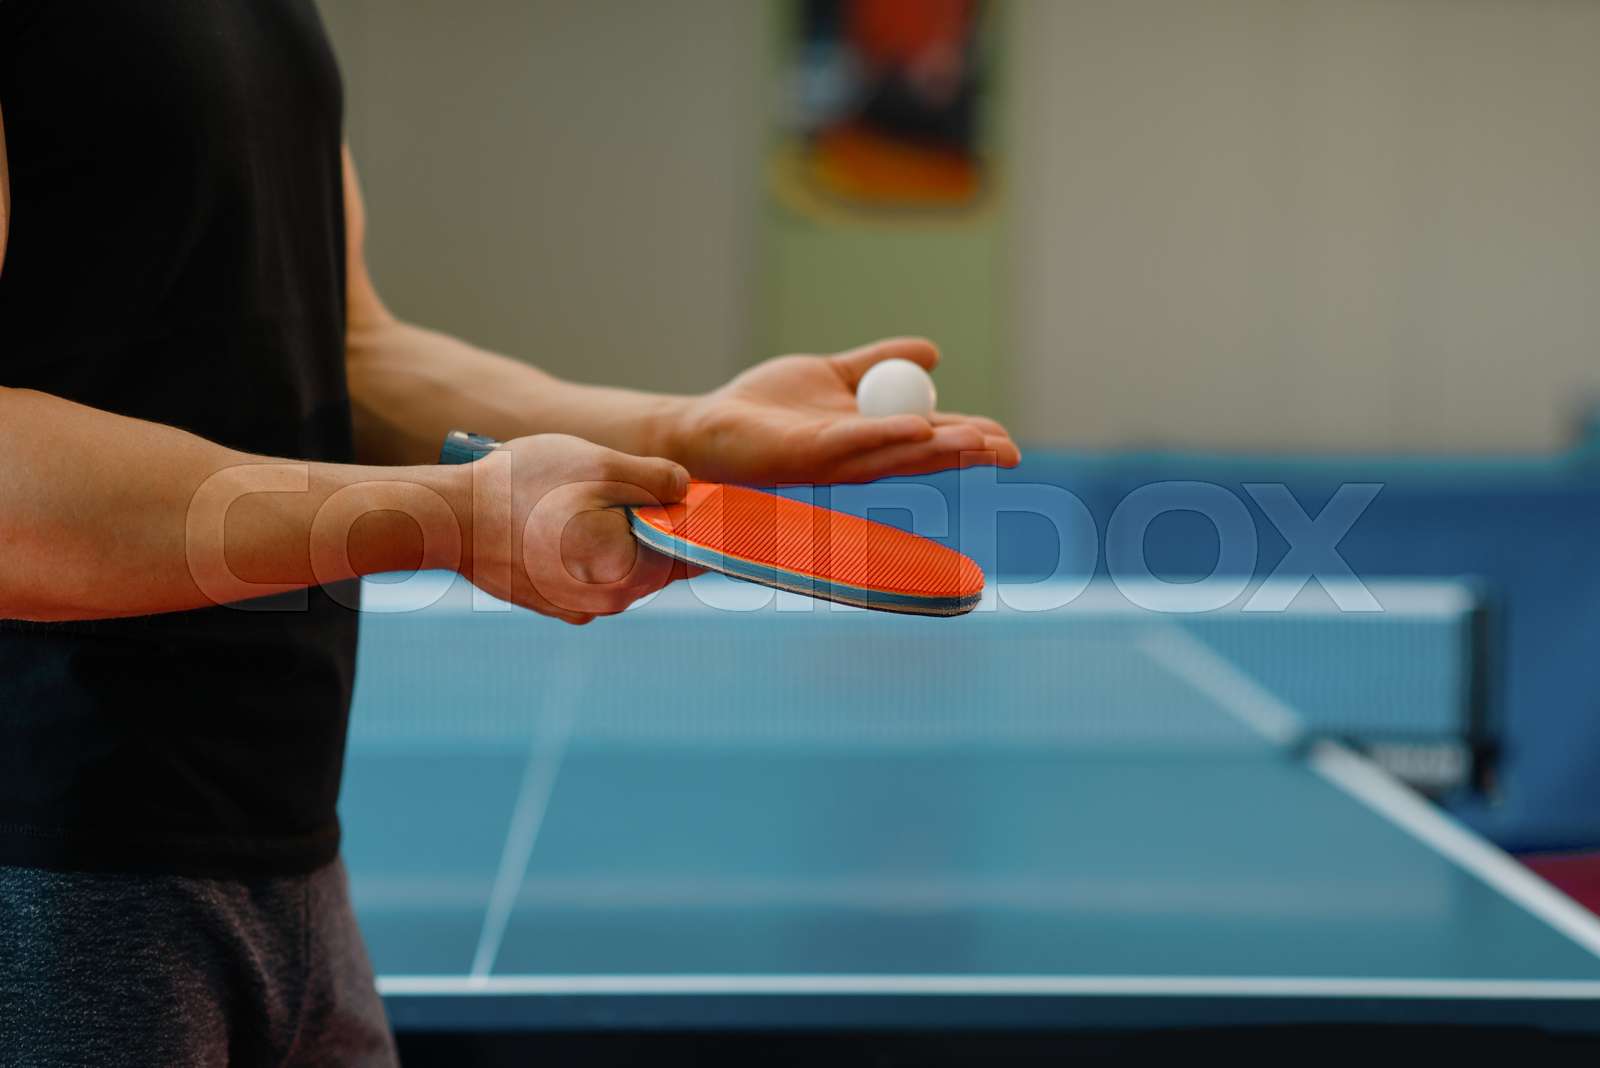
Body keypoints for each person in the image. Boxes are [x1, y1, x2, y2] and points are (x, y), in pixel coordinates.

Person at [0, 2, 1018, 1065]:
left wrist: (690, 431)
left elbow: (348, 349)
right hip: (54, 863)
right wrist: (462, 516)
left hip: (287, 841)